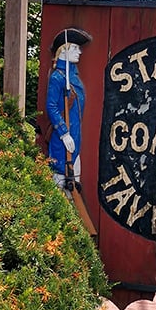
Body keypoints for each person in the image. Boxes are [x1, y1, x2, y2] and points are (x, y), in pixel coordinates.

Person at [45, 27, 92, 191]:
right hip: (63, 139)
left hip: (75, 137)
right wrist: (64, 133)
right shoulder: (58, 77)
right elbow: (51, 106)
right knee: (60, 182)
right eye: (74, 48)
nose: (79, 51)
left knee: (74, 184)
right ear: (63, 51)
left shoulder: (73, 77)